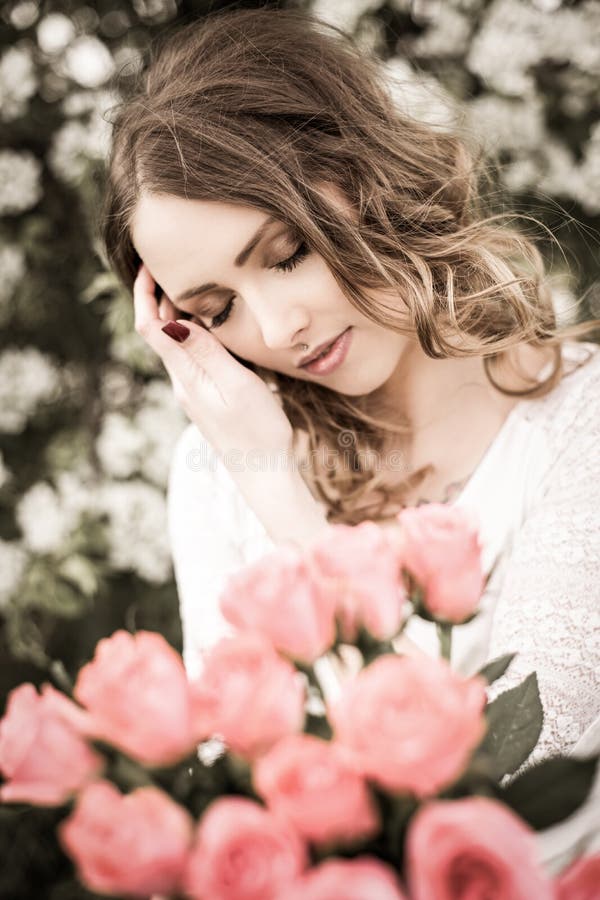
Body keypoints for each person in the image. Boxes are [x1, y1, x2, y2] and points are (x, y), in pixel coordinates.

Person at [101, 6, 600, 871]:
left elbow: (508, 806)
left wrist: (291, 515)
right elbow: (232, 801)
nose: (279, 325)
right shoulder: (220, 471)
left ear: (366, 171)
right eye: (216, 310)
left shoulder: (581, 429)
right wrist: (258, 469)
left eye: (289, 252)